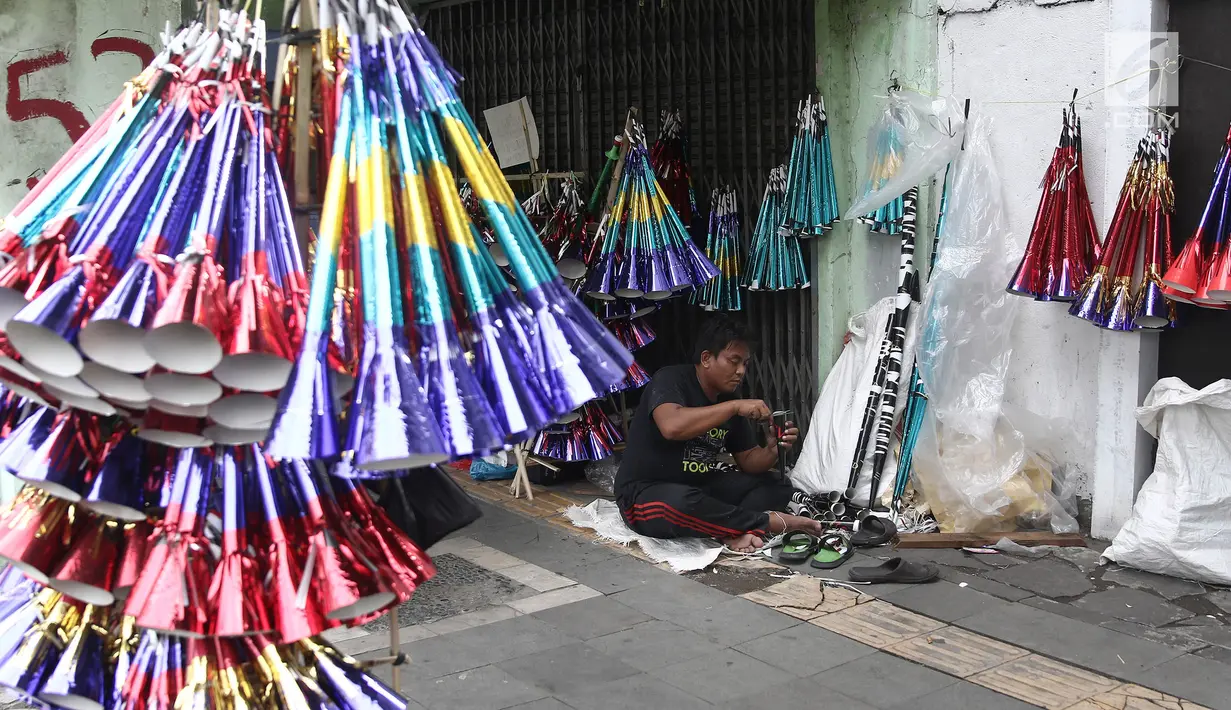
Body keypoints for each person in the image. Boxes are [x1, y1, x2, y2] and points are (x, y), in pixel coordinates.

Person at [615, 316, 823, 553]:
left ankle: (733, 529)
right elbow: (671, 426)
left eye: (745, 363)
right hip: (645, 493)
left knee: (776, 483)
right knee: (680, 503)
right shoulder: (671, 379)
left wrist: (773, 450)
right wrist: (733, 408)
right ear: (706, 359)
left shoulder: (729, 398)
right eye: (734, 361)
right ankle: (764, 523)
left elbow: (749, 462)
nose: (741, 371)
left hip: (700, 488)